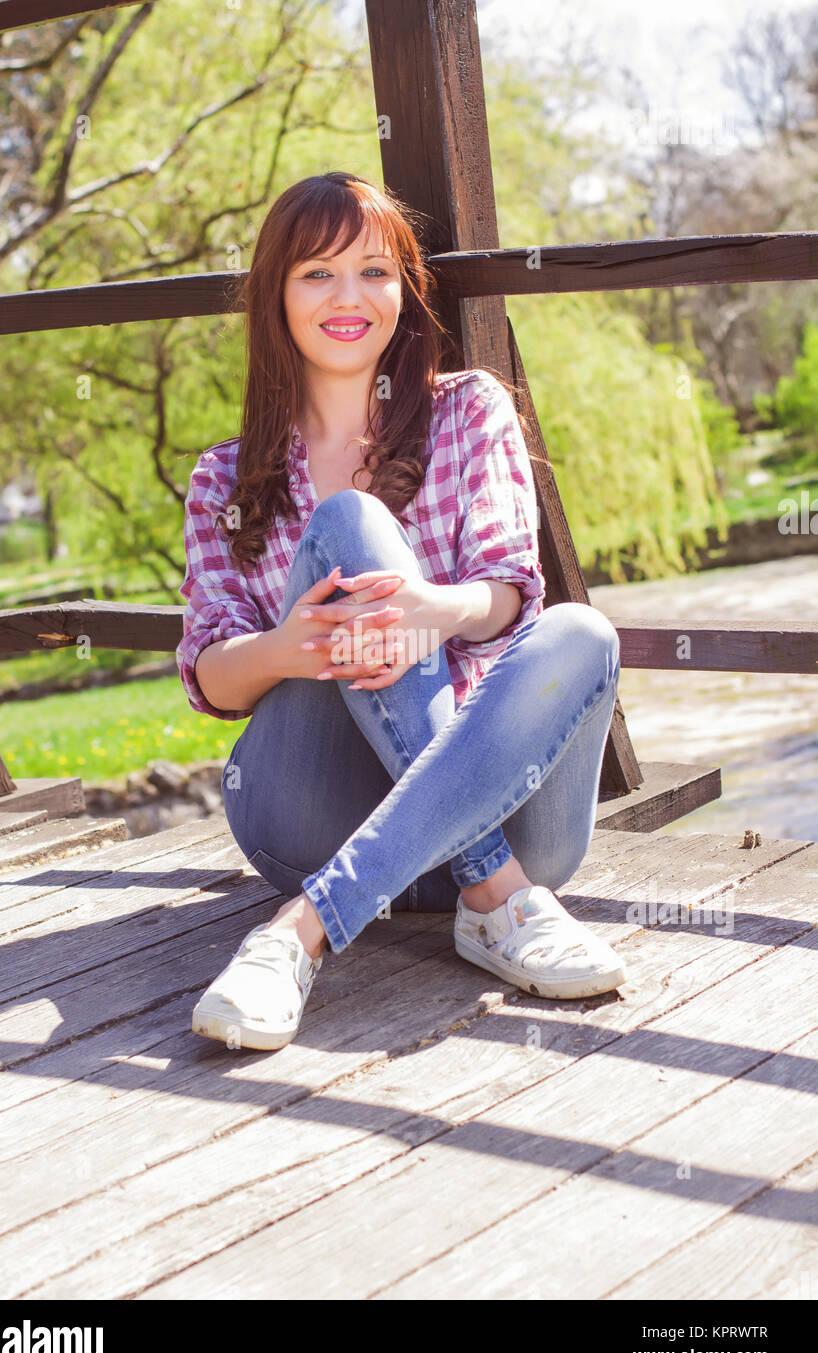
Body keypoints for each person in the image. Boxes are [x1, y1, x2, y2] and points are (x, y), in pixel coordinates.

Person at [176, 171, 626, 1052]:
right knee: (348, 524)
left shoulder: (470, 410)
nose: (350, 298)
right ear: (275, 294)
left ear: (405, 292)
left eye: (374, 272)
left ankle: (300, 932)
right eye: (317, 274)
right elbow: (211, 674)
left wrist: (430, 609)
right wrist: (288, 650)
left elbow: (505, 598)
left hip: (504, 809)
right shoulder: (223, 477)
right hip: (313, 816)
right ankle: (496, 900)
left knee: (583, 633)